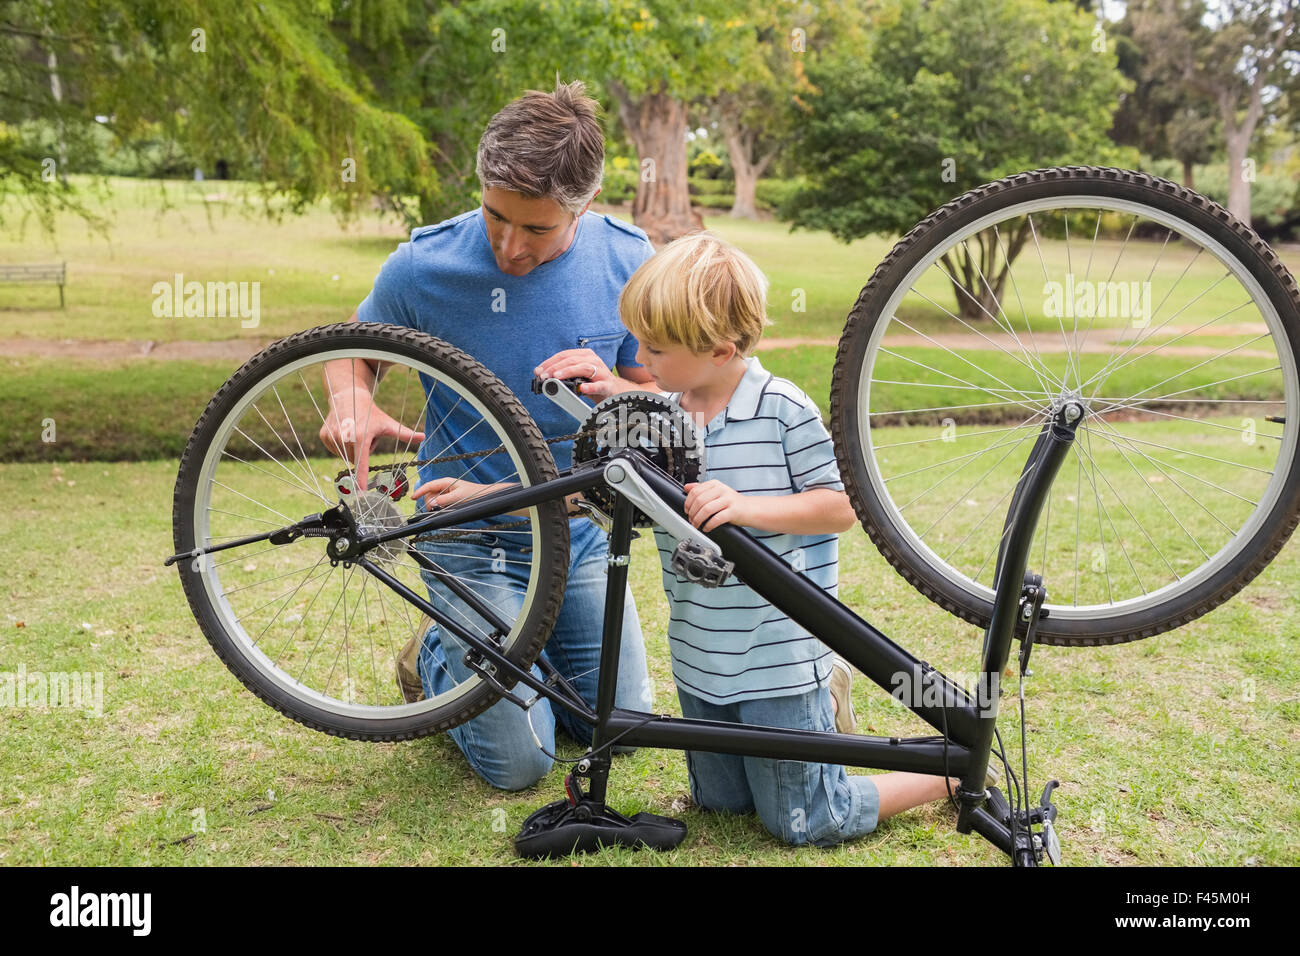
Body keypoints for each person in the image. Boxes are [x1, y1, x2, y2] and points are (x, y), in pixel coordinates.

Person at [319, 80, 657, 791]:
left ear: (584, 207)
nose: (509, 245)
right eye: (495, 216)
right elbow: (353, 353)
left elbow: (657, 402)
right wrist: (352, 403)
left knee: (619, 727)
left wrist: (616, 386)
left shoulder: (629, 259)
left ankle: (512, 662)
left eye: (536, 229)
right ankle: (437, 657)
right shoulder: (423, 266)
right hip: (462, 527)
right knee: (521, 765)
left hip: (575, 530)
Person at [612, 231, 971, 846]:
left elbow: (838, 508)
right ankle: (820, 739)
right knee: (720, 806)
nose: (639, 358)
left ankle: (945, 770)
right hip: (701, 649)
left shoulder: (782, 408)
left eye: (655, 347)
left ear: (721, 350)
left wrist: (745, 506)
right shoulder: (666, 412)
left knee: (804, 821)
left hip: (776, 654)